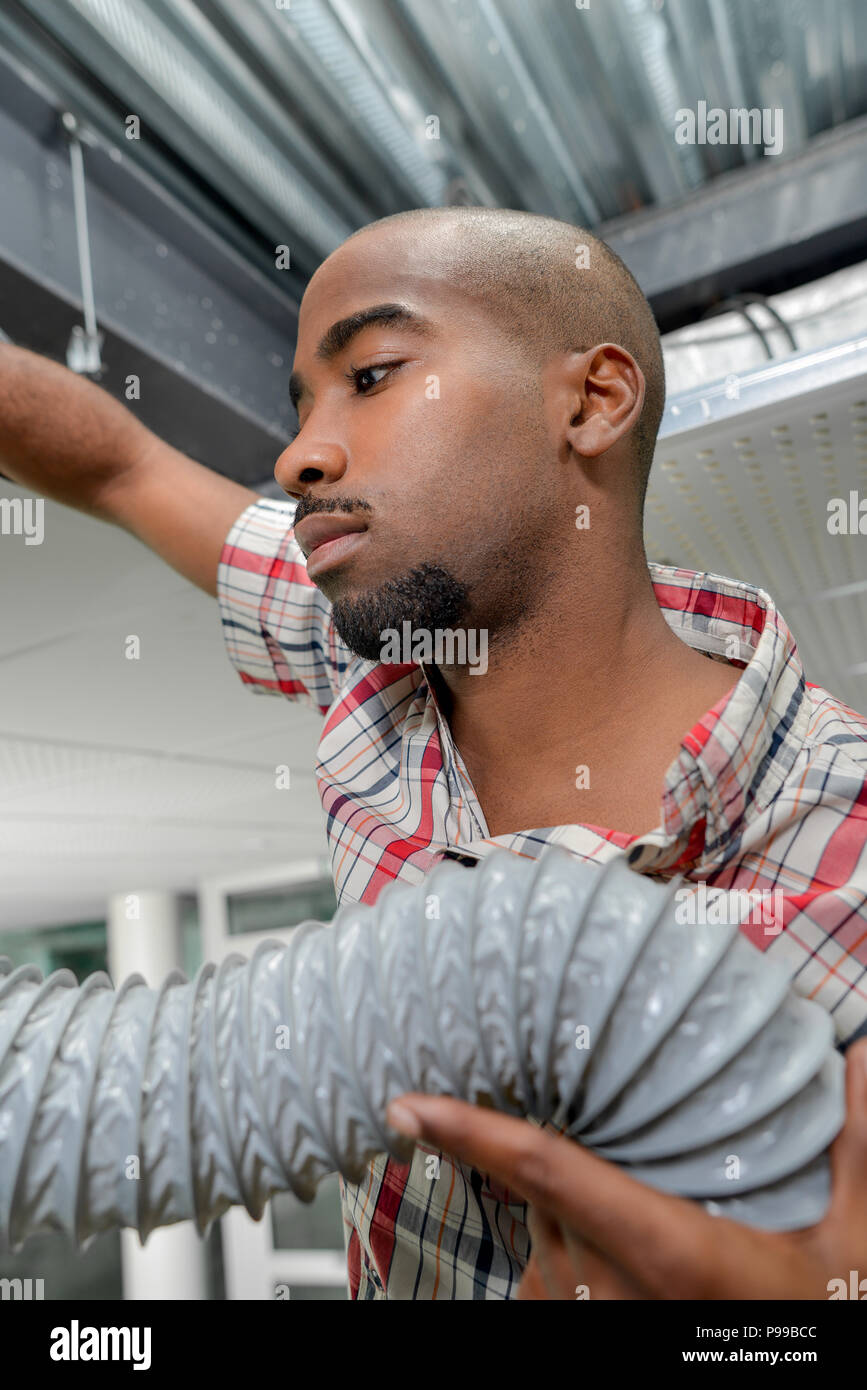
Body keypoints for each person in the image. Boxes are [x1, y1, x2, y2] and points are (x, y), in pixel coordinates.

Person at [1, 206, 865, 1300]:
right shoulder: (377, 660)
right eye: (302, 404)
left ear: (592, 400)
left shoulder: (842, 845)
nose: (299, 453)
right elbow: (120, 464)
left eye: (371, 374)